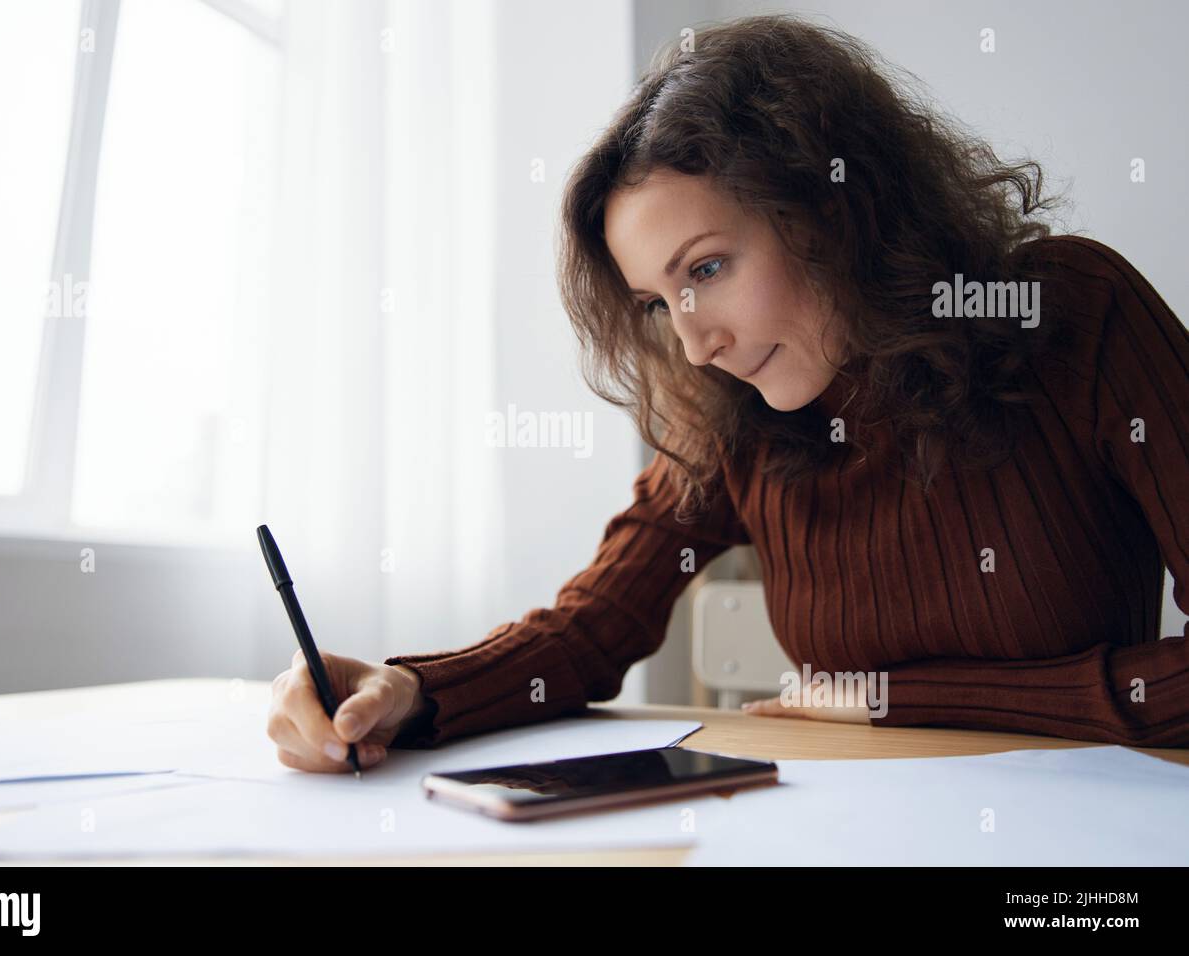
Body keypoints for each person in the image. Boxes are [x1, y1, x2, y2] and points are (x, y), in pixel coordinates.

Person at [267, 14, 1189, 773]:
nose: (695, 341)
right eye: (659, 302)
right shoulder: (736, 418)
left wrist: (896, 699)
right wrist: (409, 691)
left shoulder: (1075, 313)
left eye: (707, 266)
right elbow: (590, 631)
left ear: (836, 204)